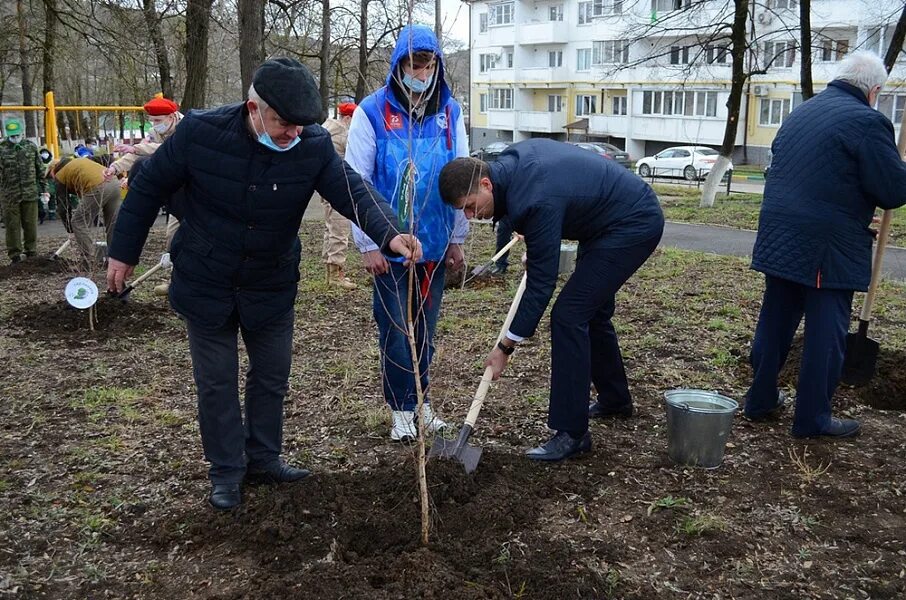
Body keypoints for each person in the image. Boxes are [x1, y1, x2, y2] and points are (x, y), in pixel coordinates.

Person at [106, 57, 422, 511]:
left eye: (300, 125)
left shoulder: (310, 146)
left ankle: (264, 459)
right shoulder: (200, 132)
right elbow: (150, 184)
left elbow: (352, 191)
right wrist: (123, 253)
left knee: (271, 376)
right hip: (206, 279)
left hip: (270, 282)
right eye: (283, 123)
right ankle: (226, 473)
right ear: (254, 108)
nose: (292, 133)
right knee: (216, 382)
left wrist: (390, 232)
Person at [438, 139, 664, 461]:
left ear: (486, 184)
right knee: (592, 312)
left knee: (569, 315)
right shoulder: (510, 169)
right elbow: (551, 205)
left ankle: (572, 433)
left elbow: (541, 285)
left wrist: (505, 347)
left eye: (471, 206)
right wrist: (540, 240)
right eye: (465, 212)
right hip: (605, 221)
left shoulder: (534, 196)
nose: (472, 216)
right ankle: (615, 400)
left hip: (632, 223)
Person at [743, 51, 906, 439]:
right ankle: (812, 419)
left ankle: (760, 399)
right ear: (875, 91)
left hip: (779, 235)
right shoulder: (869, 122)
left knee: (776, 319)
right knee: (826, 332)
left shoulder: (803, 111)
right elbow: (892, 192)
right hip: (825, 246)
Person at [346, 24, 469, 442]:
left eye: (427, 64)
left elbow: (462, 176)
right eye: (413, 64)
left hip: (433, 242)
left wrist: (457, 237)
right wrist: (367, 242)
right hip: (388, 245)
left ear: (437, 65)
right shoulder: (372, 111)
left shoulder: (450, 112)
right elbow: (356, 182)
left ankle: (423, 403)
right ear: (398, 65)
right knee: (396, 327)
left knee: (427, 330)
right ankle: (401, 409)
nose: (420, 72)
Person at [104, 96, 184, 296]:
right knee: (172, 238)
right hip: (173, 193)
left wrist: (137, 148)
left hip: (194, 192)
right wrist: (115, 167)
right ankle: (176, 281)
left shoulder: (189, 128)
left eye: (158, 121)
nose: (155, 125)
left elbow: (169, 148)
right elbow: (136, 154)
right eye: (152, 121)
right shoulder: (156, 133)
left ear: (173, 117)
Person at [50, 157, 122, 267]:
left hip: (98, 186)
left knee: (78, 222)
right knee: (112, 223)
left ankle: (89, 261)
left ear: (53, 170)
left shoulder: (60, 175)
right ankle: (115, 259)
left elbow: (63, 206)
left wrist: (70, 230)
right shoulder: (77, 163)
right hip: (114, 183)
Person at [317, 101, 359, 290]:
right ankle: (336, 274)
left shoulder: (326, 130)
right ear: (348, 118)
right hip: (339, 187)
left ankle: (330, 271)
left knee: (331, 227)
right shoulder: (344, 133)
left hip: (325, 187)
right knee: (340, 229)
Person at [0, 119, 47, 264]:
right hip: (10, 195)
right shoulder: (2, 149)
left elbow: (40, 170)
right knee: (12, 226)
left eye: (17, 135)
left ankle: (31, 252)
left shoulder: (30, 147)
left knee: (30, 224)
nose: (15, 138)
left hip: (29, 193)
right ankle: (15, 254)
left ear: (22, 133)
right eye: (12, 136)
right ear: (8, 135)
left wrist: (44, 190)